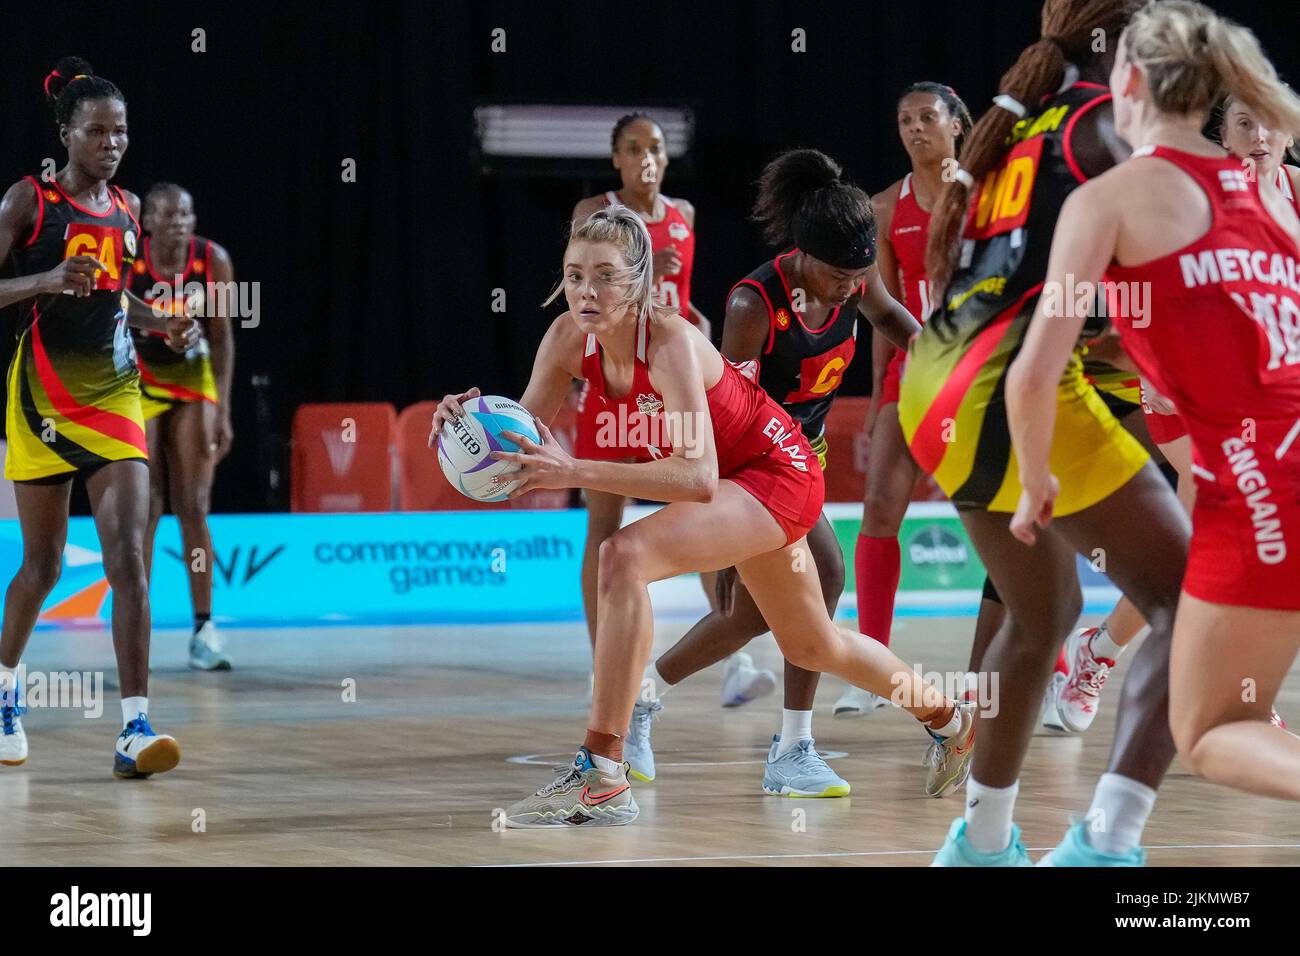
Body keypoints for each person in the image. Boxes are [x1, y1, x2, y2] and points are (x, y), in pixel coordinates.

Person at [431, 206, 974, 827]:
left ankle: (602, 771)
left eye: (605, 275)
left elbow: (695, 477)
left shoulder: (669, 344)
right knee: (813, 642)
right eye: (575, 275)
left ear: (636, 281)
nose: (586, 290)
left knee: (622, 554)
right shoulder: (563, 341)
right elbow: (523, 454)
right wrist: (473, 433)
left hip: (778, 472)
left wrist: (577, 469)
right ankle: (949, 718)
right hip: (736, 482)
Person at [902, 0, 1189, 866]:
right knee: (1190, 600)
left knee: (1043, 614)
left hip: (934, 378)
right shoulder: (1108, 125)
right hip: (1011, 382)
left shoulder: (1010, 126)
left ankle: (981, 844)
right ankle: (1105, 842)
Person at [1009, 0, 1300, 809]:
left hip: (1263, 482)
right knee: (1229, 691)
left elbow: (1034, 373)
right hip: (1259, 448)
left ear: (1123, 80)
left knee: (1211, 731)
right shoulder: (1274, 204)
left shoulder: (1108, 199)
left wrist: (1035, 483)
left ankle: (1103, 683)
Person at [627, 149, 973, 799]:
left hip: (802, 457)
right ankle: (793, 746)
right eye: (842, 277)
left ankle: (639, 701)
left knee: (749, 620)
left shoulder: (856, 280)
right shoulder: (752, 305)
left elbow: (902, 326)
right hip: (757, 463)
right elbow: (725, 412)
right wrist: (726, 523)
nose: (852, 289)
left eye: (860, 277)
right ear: (805, 256)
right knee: (827, 578)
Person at [0, 59, 198, 776]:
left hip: (116, 394)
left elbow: (117, 299)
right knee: (43, 565)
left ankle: (134, 728)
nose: (112, 143)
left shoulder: (129, 209)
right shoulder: (31, 201)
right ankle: (5, 691)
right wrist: (46, 279)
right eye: (97, 131)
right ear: (66, 135)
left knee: (131, 562)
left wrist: (162, 323)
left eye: (120, 132)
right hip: (41, 397)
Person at [569, 115, 748, 701]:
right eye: (632, 148)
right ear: (616, 159)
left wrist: (697, 328)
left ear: (667, 158)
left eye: (655, 147)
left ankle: (733, 659)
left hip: (665, 379)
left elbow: (685, 303)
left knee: (695, 513)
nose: (646, 157)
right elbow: (584, 295)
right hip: (611, 382)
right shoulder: (594, 211)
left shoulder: (685, 215)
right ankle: (607, 668)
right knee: (604, 527)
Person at [839, 81, 976, 718]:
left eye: (927, 117)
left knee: (999, 514)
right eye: (904, 119)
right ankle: (874, 663)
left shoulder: (989, 192)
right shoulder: (884, 207)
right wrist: (874, 399)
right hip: (915, 369)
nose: (915, 128)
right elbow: (881, 311)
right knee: (879, 505)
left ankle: (1053, 665)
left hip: (982, 370)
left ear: (956, 124)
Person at [129, 183, 236, 671]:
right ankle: (138, 624)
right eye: (170, 215)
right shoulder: (130, 257)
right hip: (138, 380)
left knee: (192, 505)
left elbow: (222, 337)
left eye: (187, 214)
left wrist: (224, 408)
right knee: (145, 507)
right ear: (147, 220)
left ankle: (204, 629)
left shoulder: (211, 260)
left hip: (194, 382)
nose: (181, 222)